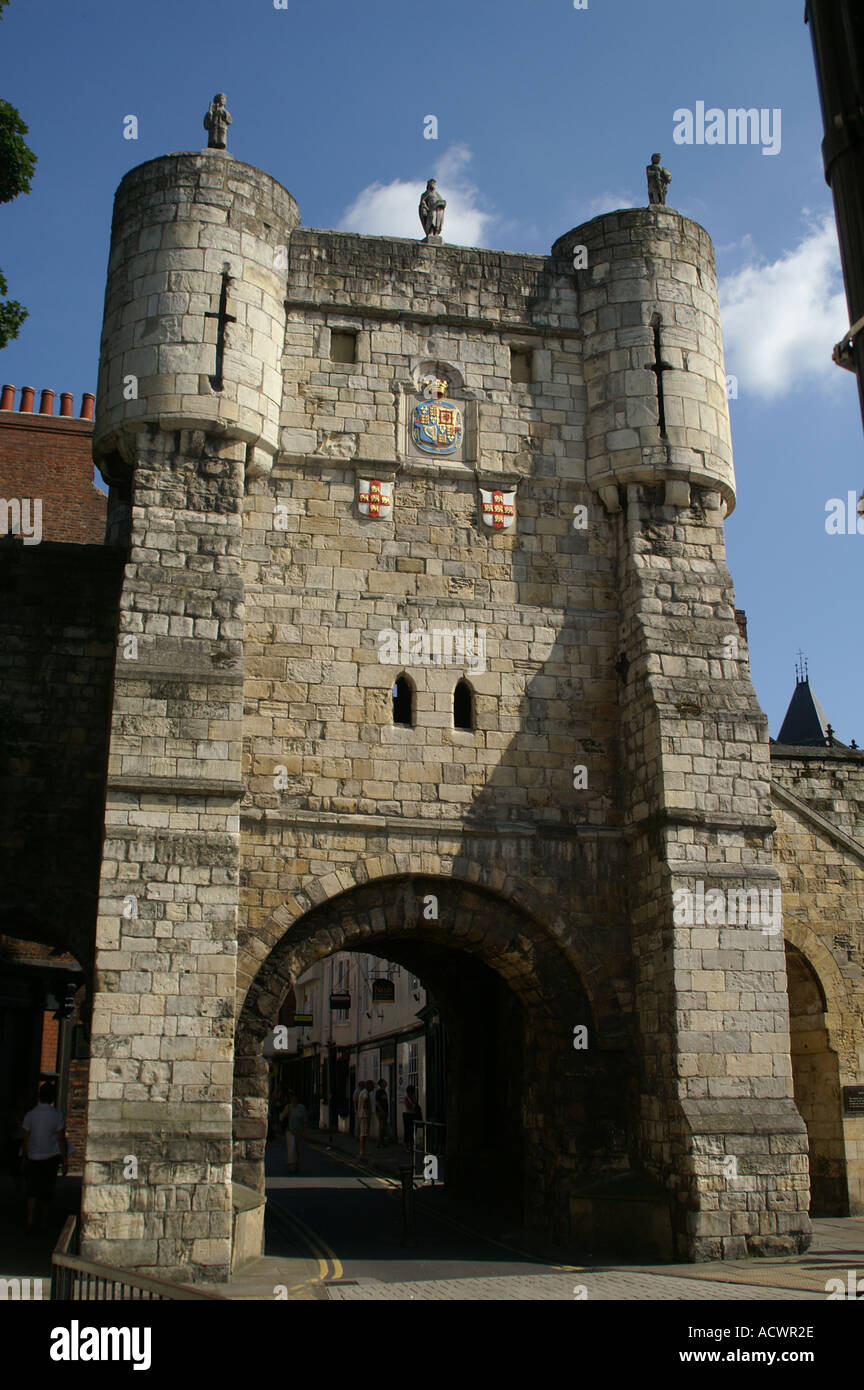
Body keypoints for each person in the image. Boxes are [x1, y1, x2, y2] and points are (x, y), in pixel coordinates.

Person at [20, 1082, 67, 1231]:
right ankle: (44, 1221)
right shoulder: (57, 1115)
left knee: (32, 1190)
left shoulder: (30, 1114)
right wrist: (65, 1160)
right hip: (50, 1156)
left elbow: (25, 1138)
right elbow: (60, 1139)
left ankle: (30, 1219)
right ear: (53, 1097)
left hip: (33, 1155)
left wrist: (24, 1157)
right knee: (47, 1190)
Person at [279, 1093, 308, 1175]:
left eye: (295, 1099)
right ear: (291, 1100)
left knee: (297, 1149)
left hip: (298, 1131)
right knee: (291, 1149)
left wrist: (304, 1131)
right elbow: (281, 1118)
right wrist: (284, 1114)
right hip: (290, 1131)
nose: (294, 1100)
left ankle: (297, 1164)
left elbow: (305, 1120)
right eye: (292, 1099)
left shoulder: (302, 1108)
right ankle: (291, 1166)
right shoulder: (288, 1107)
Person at [402, 1086, 422, 1152]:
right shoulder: (406, 1098)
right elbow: (408, 1107)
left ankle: (411, 1147)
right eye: (412, 1092)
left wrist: (413, 1103)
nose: (413, 1094)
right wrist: (413, 1103)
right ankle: (406, 1146)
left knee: (413, 1130)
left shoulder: (414, 1098)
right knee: (407, 1130)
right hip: (406, 1115)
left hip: (413, 1115)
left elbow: (414, 1106)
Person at [355, 1080, 372, 1158]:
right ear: (368, 1086)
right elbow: (365, 1100)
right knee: (363, 1134)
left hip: (362, 1115)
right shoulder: (365, 1092)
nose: (373, 1088)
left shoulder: (363, 1092)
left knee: (363, 1133)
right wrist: (366, 1107)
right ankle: (362, 1151)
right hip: (364, 1115)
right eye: (372, 1086)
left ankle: (363, 1150)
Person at [375, 1079, 390, 1147]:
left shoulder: (384, 1091)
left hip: (384, 1111)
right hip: (381, 1112)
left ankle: (382, 1142)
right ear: (382, 1084)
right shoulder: (379, 1092)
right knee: (382, 1126)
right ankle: (379, 1143)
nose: (386, 1082)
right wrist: (381, 1111)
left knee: (384, 1126)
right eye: (384, 1081)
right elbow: (377, 1102)